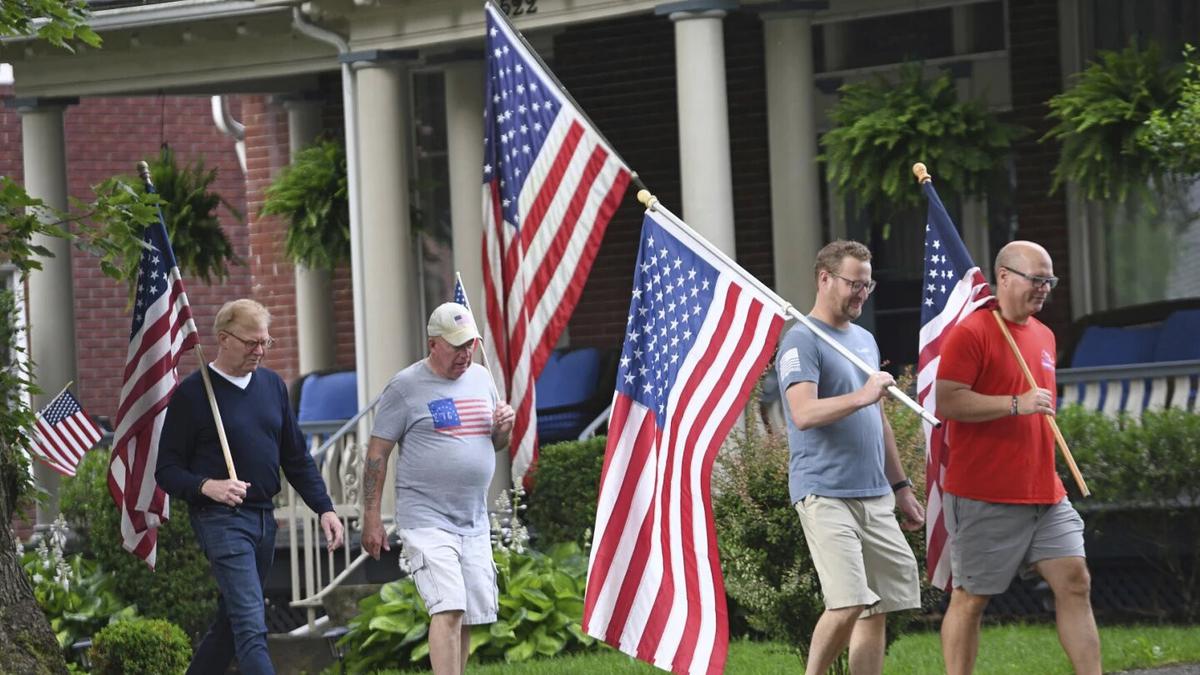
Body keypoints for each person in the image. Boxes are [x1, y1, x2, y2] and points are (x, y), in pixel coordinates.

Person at [936, 240, 1100, 675]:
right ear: (1004, 277)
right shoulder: (971, 332)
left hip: (1045, 492)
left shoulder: (1044, 334)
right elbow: (948, 401)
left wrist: (1028, 410)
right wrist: (1014, 403)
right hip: (984, 494)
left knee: (1075, 581)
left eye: (1050, 280)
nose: (1045, 288)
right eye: (1036, 279)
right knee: (971, 599)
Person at [156, 299, 344, 675]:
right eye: (250, 343)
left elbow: (296, 458)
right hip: (221, 521)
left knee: (230, 623)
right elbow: (166, 470)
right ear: (223, 339)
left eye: (265, 343)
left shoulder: (272, 386)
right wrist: (208, 486)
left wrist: (324, 508)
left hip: (263, 520)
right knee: (250, 624)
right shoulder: (194, 394)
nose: (259, 351)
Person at [777, 240, 925, 675]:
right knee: (849, 600)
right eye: (854, 284)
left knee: (876, 607)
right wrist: (861, 395)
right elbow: (803, 414)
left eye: (868, 284)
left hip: (875, 493)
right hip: (825, 491)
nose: (862, 293)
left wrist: (900, 488)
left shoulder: (863, 339)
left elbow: (877, 421)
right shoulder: (800, 340)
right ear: (825, 278)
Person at [361, 302, 515, 675]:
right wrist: (371, 518)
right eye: (457, 346)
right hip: (426, 518)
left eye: (470, 345)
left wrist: (503, 429)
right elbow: (377, 454)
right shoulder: (405, 387)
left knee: (463, 613)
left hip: (473, 519)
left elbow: (491, 444)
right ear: (433, 344)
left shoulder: (481, 378)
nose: (465, 354)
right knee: (447, 606)